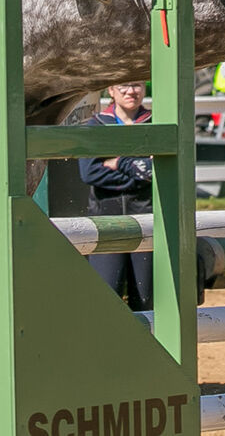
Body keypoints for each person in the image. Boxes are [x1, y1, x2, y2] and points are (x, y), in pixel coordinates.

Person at [78, 82, 155, 307]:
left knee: (145, 297)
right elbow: (90, 173)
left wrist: (116, 162)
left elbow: (155, 171)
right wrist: (136, 170)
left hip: (147, 219)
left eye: (137, 85)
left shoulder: (154, 123)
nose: (131, 91)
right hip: (106, 221)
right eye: (124, 86)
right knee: (106, 297)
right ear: (110, 90)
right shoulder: (96, 125)